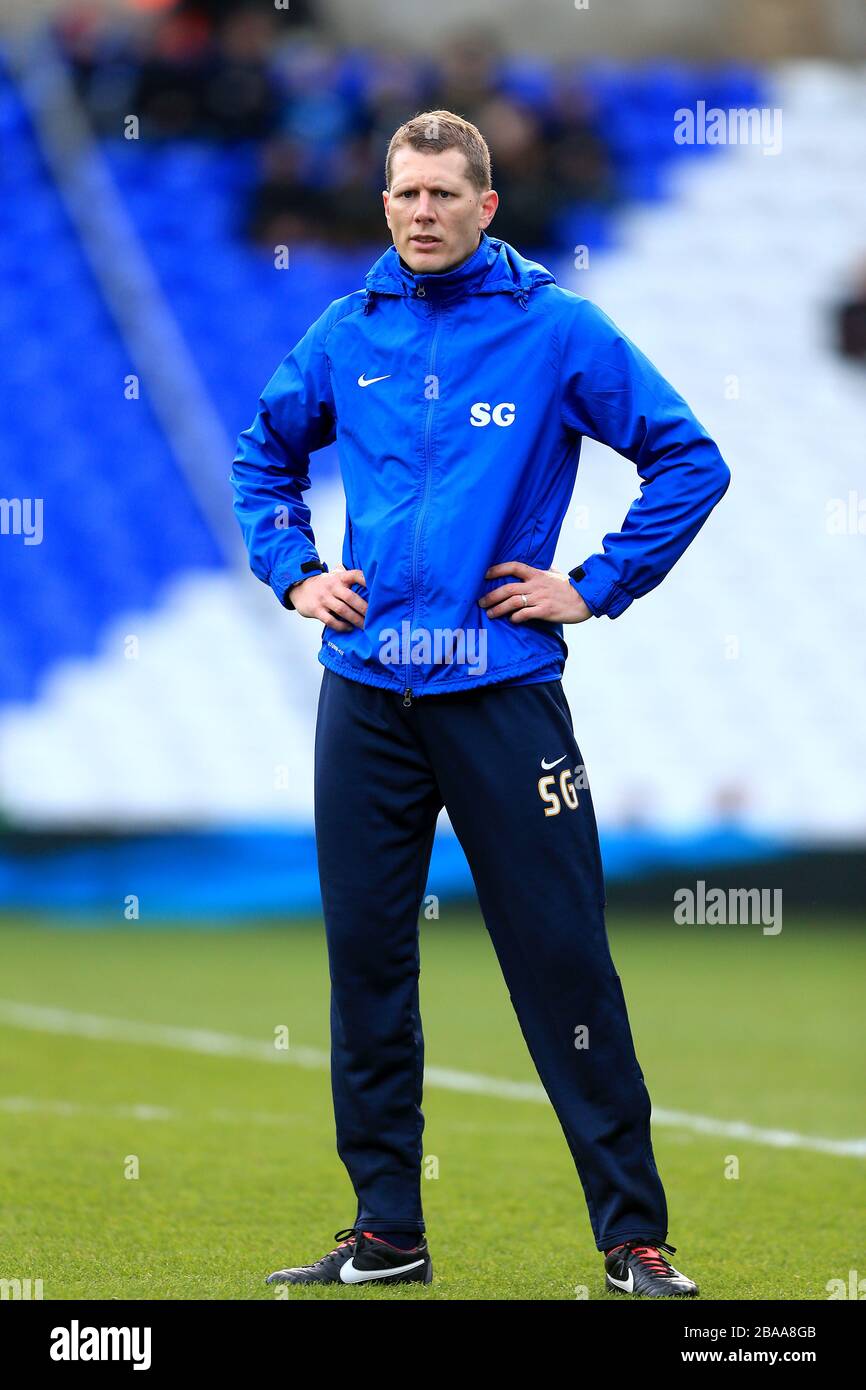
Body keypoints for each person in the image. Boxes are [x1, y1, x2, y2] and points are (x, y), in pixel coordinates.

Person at [231, 109, 730, 1297]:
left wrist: (594, 584)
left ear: (485, 206)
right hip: (363, 695)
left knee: (562, 968)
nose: (420, 212)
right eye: (404, 193)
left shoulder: (554, 328)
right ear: (386, 200)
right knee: (365, 968)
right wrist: (294, 569)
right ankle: (386, 1229)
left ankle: (632, 1241)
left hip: (498, 691)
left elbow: (687, 459)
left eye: (444, 195)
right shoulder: (346, 332)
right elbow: (262, 452)